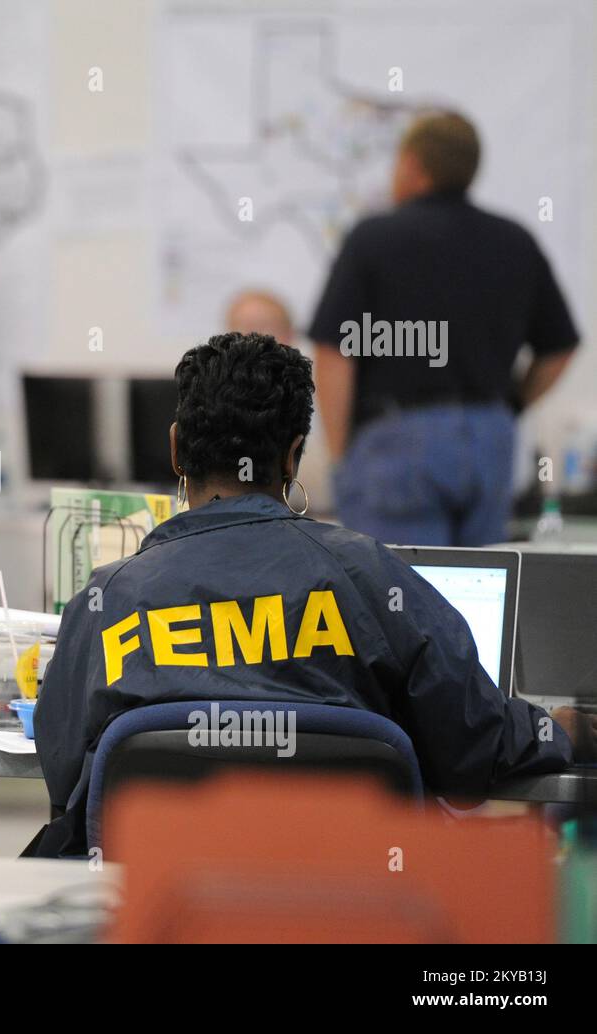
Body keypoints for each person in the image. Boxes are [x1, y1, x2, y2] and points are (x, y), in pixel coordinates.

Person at [30, 332, 592, 858]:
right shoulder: (371, 577)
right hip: (353, 915)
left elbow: (63, 772)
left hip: (161, 918)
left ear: (177, 450)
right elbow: (475, 748)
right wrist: (564, 726)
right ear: (294, 455)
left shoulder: (106, 601)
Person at [309, 110, 580, 546]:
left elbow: (334, 353)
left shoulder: (374, 238)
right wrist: (509, 405)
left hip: (398, 441)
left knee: (396, 593)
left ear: (414, 167)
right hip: (489, 439)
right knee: (483, 590)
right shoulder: (515, 241)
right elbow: (560, 347)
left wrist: (341, 457)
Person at [224, 288, 330, 514]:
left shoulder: (315, 389)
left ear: (290, 335)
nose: (253, 336)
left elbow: (327, 473)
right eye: (240, 328)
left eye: (266, 326)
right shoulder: (215, 393)